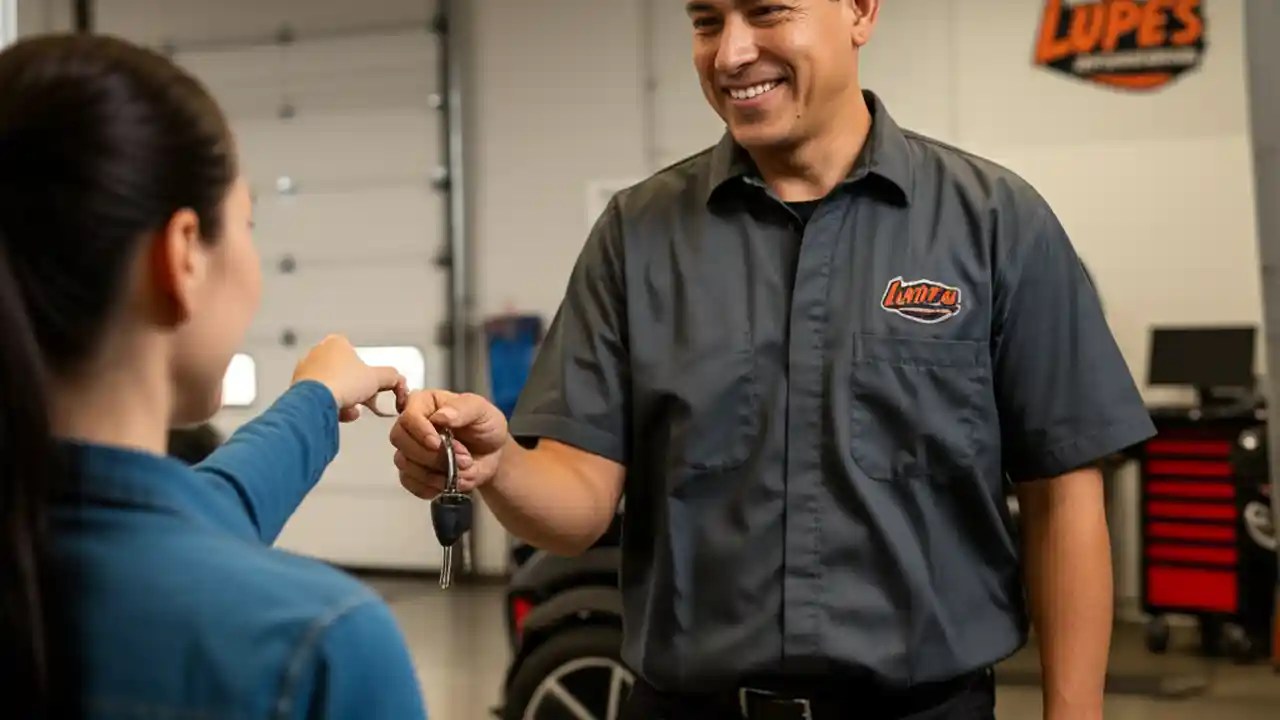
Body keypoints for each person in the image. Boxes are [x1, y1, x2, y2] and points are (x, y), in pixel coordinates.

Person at [392, 2, 1155, 718]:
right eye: (706, 21)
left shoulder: (993, 222)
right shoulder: (636, 235)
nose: (730, 53)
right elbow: (579, 502)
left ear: (860, 10)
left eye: (766, 12)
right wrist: (499, 465)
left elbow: (1063, 496)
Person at [0, 34, 427, 719]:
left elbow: (201, 510)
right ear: (183, 259)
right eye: (246, 224)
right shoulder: (319, 649)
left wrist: (316, 398)